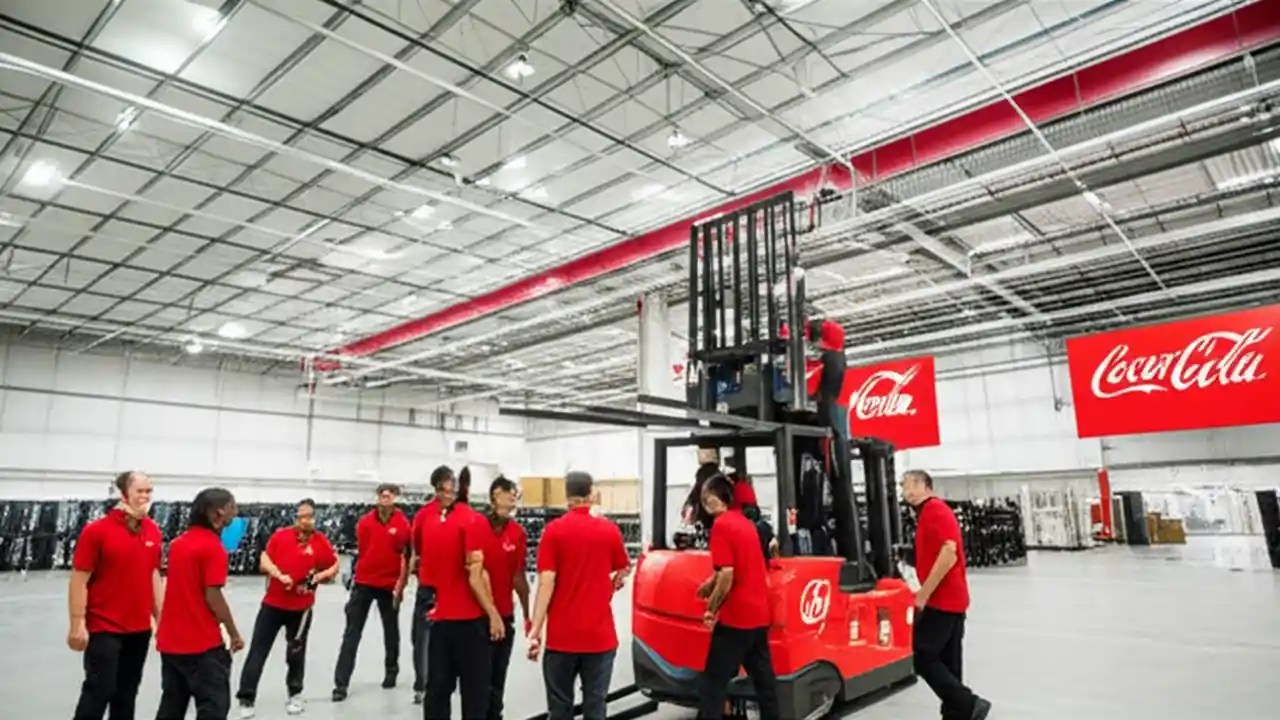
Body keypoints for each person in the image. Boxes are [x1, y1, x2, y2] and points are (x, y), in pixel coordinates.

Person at [527, 471, 631, 720]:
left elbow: (546, 581)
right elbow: (624, 566)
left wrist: (535, 630)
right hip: (600, 637)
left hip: (562, 638)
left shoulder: (553, 531)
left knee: (560, 707)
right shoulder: (609, 530)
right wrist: (615, 580)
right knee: (596, 706)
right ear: (591, 493)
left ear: (567, 494)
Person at [68, 470, 164, 720]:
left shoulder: (153, 531)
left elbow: (153, 574)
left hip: (139, 627)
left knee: (127, 693)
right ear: (124, 494)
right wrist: (77, 623)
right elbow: (79, 579)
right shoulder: (96, 531)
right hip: (103, 626)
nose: (145, 496)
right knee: (99, 689)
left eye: (148, 491)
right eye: (140, 491)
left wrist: (161, 619)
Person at [235, 499, 339, 718]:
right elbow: (264, 559)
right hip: (273, 605)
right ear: (296, 517)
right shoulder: (281, 536)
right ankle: (246, 698)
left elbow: (333, 566)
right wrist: (279, 575)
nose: (305, 520)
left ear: (314, 517)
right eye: (301, 516)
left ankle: (295, 694)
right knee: (258, 651)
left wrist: (319, 576)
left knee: (296, 653)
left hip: (301, 609)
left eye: (309, 516)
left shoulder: (320, 542)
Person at [901, 470, 992, 720]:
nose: (906, 490)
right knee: (949, 661)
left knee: (920, 653)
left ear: (927, 487)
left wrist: (923, 594)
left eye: (912, 485)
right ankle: (957, 714)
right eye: (903, 485)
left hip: (941, 600)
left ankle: (969, 703)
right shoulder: (927, 514)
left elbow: (949, 553)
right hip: (953, 599)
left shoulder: (934, 510)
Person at [694, 474, 780, 720]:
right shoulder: (744, 523)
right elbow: (739, 567)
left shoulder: (721, 525)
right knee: (765, 683)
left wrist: (711, 608)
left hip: (736, 618)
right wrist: (709, 585)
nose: (702, 502)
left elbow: (727, 575)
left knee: (713, 681)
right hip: (759, 614)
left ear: (714, 498)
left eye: (704, 497)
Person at [155, 488, 243, 720]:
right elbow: (212, 595)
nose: (236, 512)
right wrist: (233, 632)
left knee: (172, 704)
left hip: (171, 642)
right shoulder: (214, 549)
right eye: (232, 507)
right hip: (201, 644)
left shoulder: (177, 544)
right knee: (214, 707)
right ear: (218, 513)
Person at [423, 466, 496, 719]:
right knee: (475, 691)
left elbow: (421, 566)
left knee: (438, 690)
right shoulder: (472, 520)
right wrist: (494, 615)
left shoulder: (431, 520)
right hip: (470, 619)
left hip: (442, 616)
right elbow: (477, 576)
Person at [333, 483, 411, 701]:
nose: (385, 498)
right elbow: (364, 549)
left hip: (389, 585)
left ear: (395, 498)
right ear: (377, 498)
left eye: (389, 495)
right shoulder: (365, 522)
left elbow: (405, 556)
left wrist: (400, 586)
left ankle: (391, 671)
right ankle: (341, 684)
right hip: (364, 582)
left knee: (391, 631)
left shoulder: (403, 524)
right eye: (382, 495)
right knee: (352, 632)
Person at [472, 476, 531, 720]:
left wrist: (528, 614)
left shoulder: (517, 533)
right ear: (496, 494)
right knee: (476, 678)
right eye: (511, 494)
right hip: (475, 614)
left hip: (505, 614)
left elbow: (518, 578)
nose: (514, 498)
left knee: (497, 678)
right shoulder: (476, 526)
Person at [409, 466, 454, 705]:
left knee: (454, 637)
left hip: (455, 587)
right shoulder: (423, 516)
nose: (447, 494)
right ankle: (422, 685)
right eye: (442, 490)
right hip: (429, 586)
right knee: (422, 638)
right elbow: (417, 550)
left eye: (450, 489)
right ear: (435, 490)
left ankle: (449, 679)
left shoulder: (462, 514)